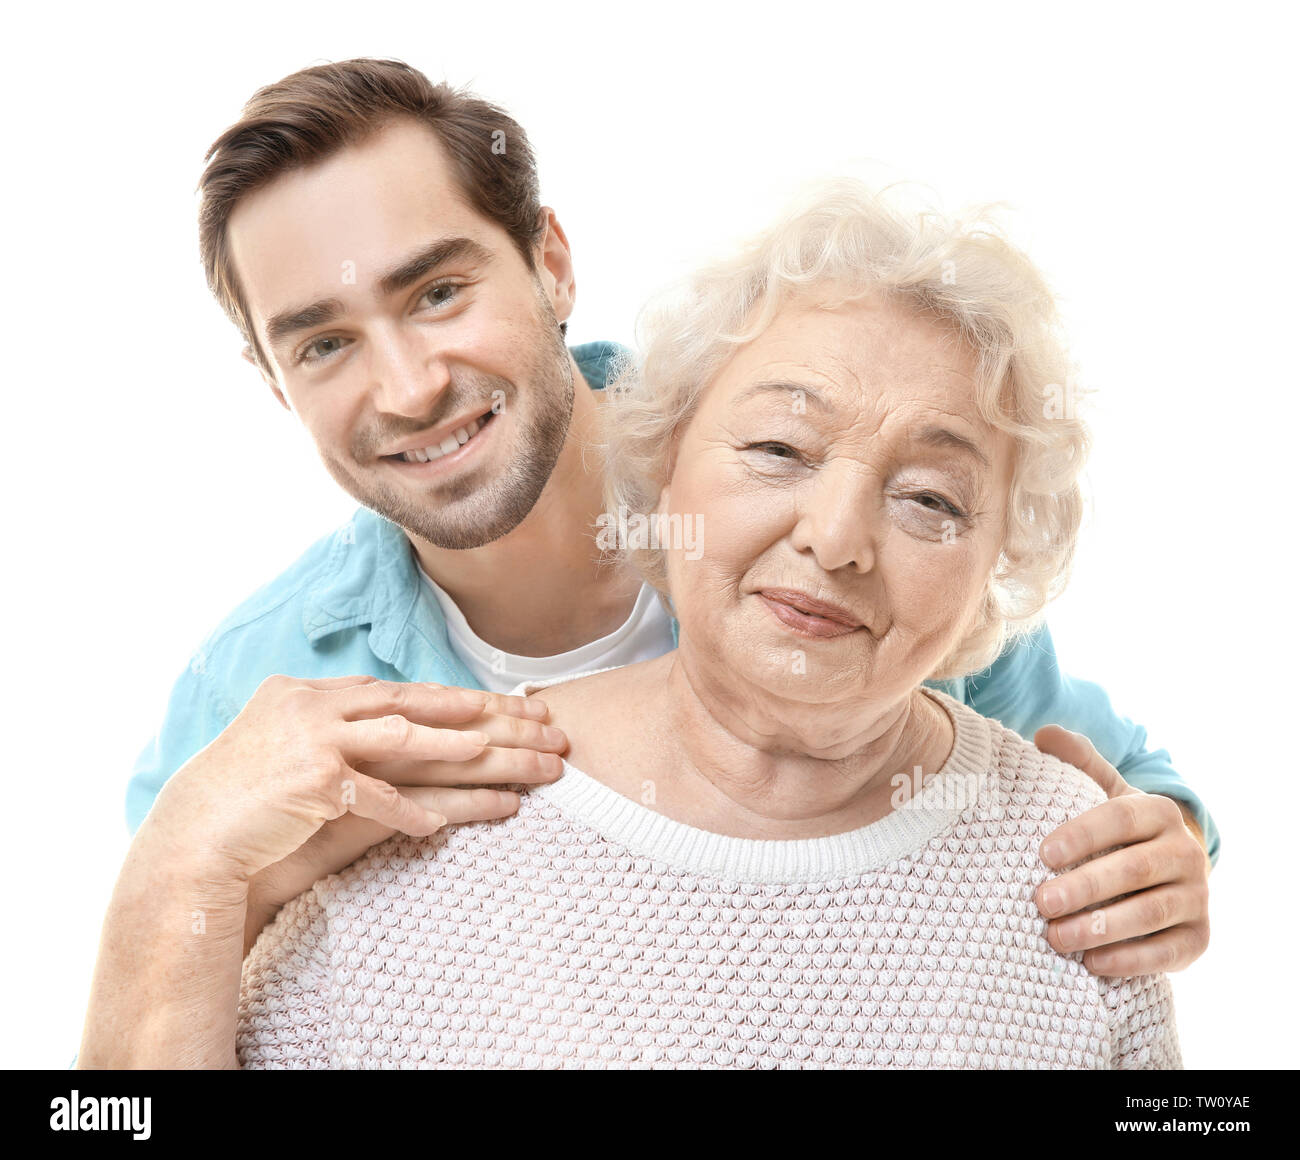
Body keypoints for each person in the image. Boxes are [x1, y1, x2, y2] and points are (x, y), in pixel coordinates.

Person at [76, 58, 1209, 1069]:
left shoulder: (853, 550)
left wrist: (1160, 856)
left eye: (438, 290)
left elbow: (1113, 807)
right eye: (322, 342)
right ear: (275, 381)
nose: (408, 384)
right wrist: (182, 862)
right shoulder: (249, 692)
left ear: (551, 263)